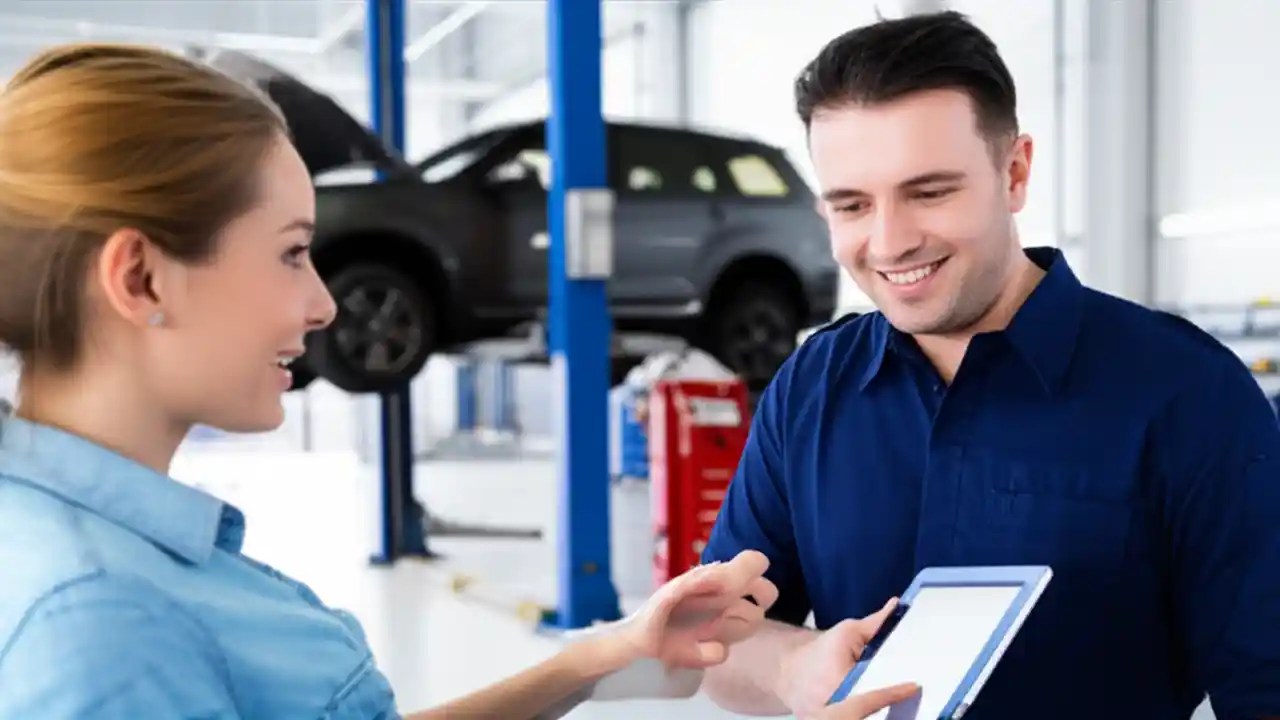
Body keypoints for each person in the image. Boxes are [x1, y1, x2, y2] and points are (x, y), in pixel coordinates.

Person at [0, 43, 920, 720]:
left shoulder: (89, 550)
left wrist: (601, 658)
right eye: (290, 254)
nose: (324, 305)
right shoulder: (101, 622)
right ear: (141, 279)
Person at [699, 10, 1280, 720]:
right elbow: (720, 642)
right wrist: (792, 666)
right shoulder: (811, 387)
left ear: (1015, 173)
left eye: (929, 192)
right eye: (852, 205)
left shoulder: (1186, 393)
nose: (890, 242)